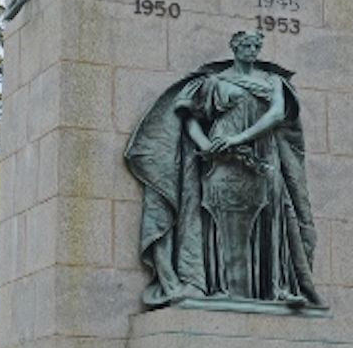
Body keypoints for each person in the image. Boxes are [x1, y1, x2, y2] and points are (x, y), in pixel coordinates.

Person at [125, 31, 324, 310]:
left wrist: (239, 138)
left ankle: (276, 287)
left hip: (262, 157)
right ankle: (217, 286)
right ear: (234, 47)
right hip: (222, 161)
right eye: (245, 45)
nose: (252, 50)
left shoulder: (273, 81)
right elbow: (190, 119)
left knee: (272, 216)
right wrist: (206, 145)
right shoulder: (214, 82)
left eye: (256, 46)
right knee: (217, 219)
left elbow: (277, 114)